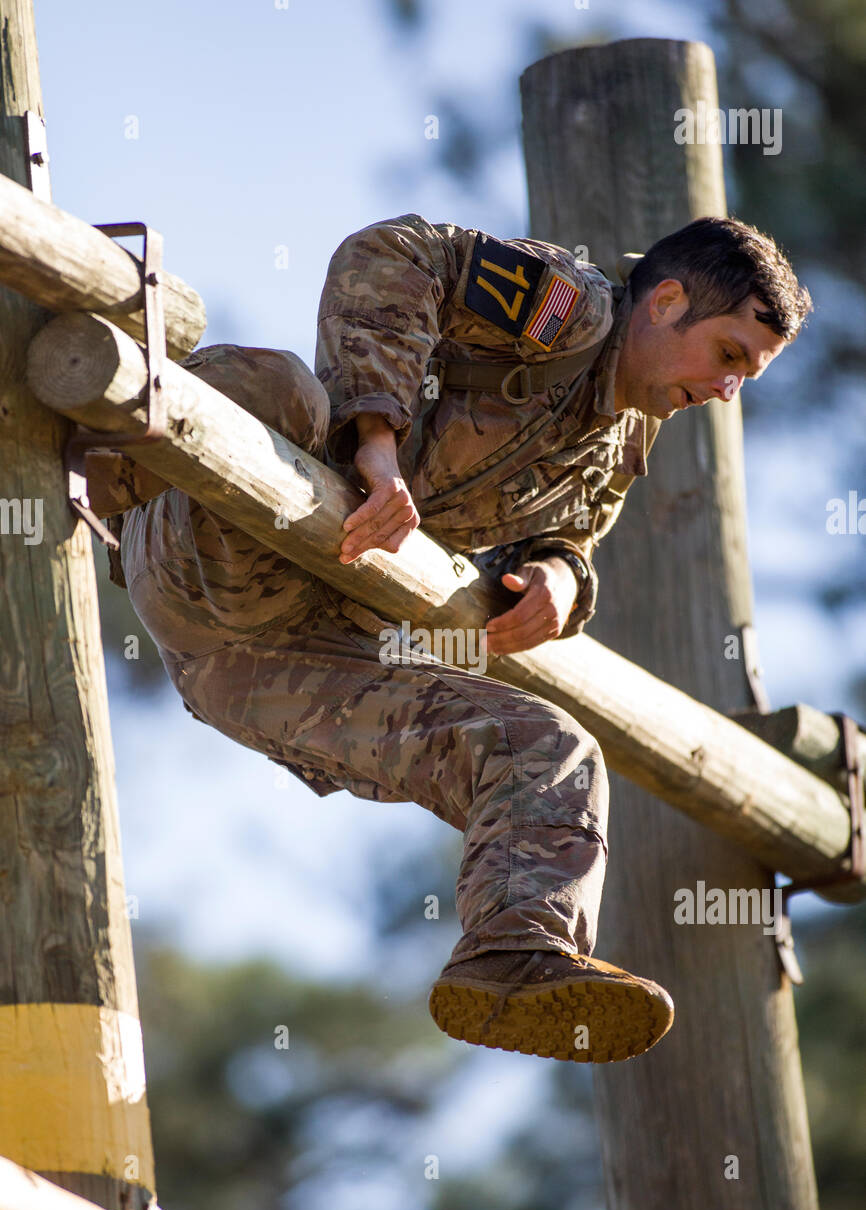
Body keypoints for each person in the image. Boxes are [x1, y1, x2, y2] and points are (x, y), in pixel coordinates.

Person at [92, 212, 811, 1065]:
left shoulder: (619, 444)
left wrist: (561, 580)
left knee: (549, 748)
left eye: (747, 377)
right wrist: (379, 445)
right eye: (729, 355)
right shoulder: (569, 313)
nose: (729, 391)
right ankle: (99, 467)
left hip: (279, 663)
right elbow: (389, 253)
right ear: (663, 301)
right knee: (273, 388)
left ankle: (514, 958)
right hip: (209, 558)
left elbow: (571, 537)